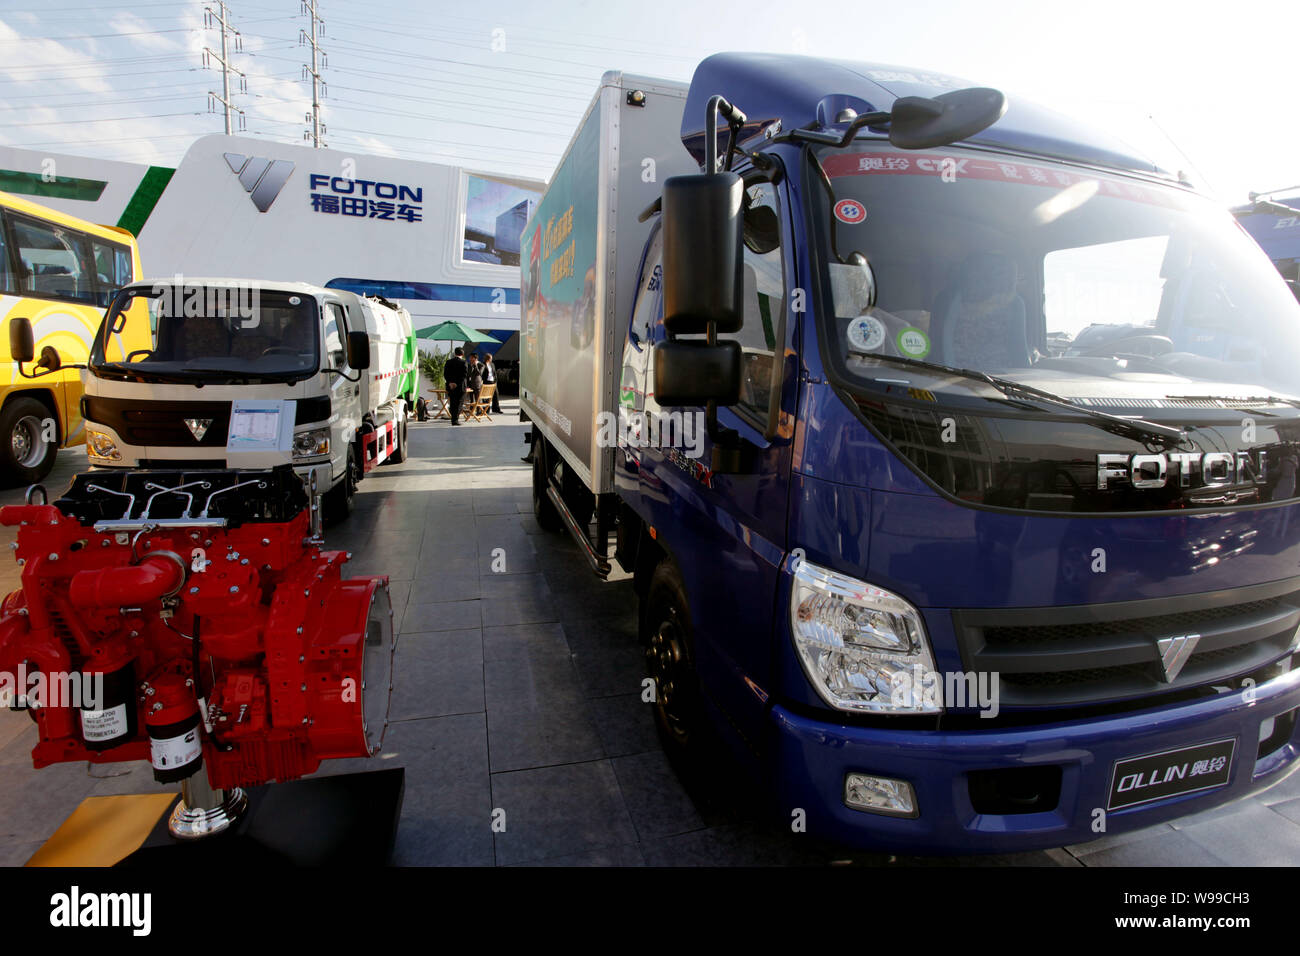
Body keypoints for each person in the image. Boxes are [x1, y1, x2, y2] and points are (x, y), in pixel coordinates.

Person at [444, 347, 468, 425]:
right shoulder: (464, 362)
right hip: (460, 387)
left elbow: (445, 374)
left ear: (455, 353)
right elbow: (464, 375)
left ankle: (453, 418)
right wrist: (456, 383)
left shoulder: (448, 362)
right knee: (459, 403)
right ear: (462, 354)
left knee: (453, 402)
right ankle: (455, 419)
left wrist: (450, 383)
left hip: (450, 387)